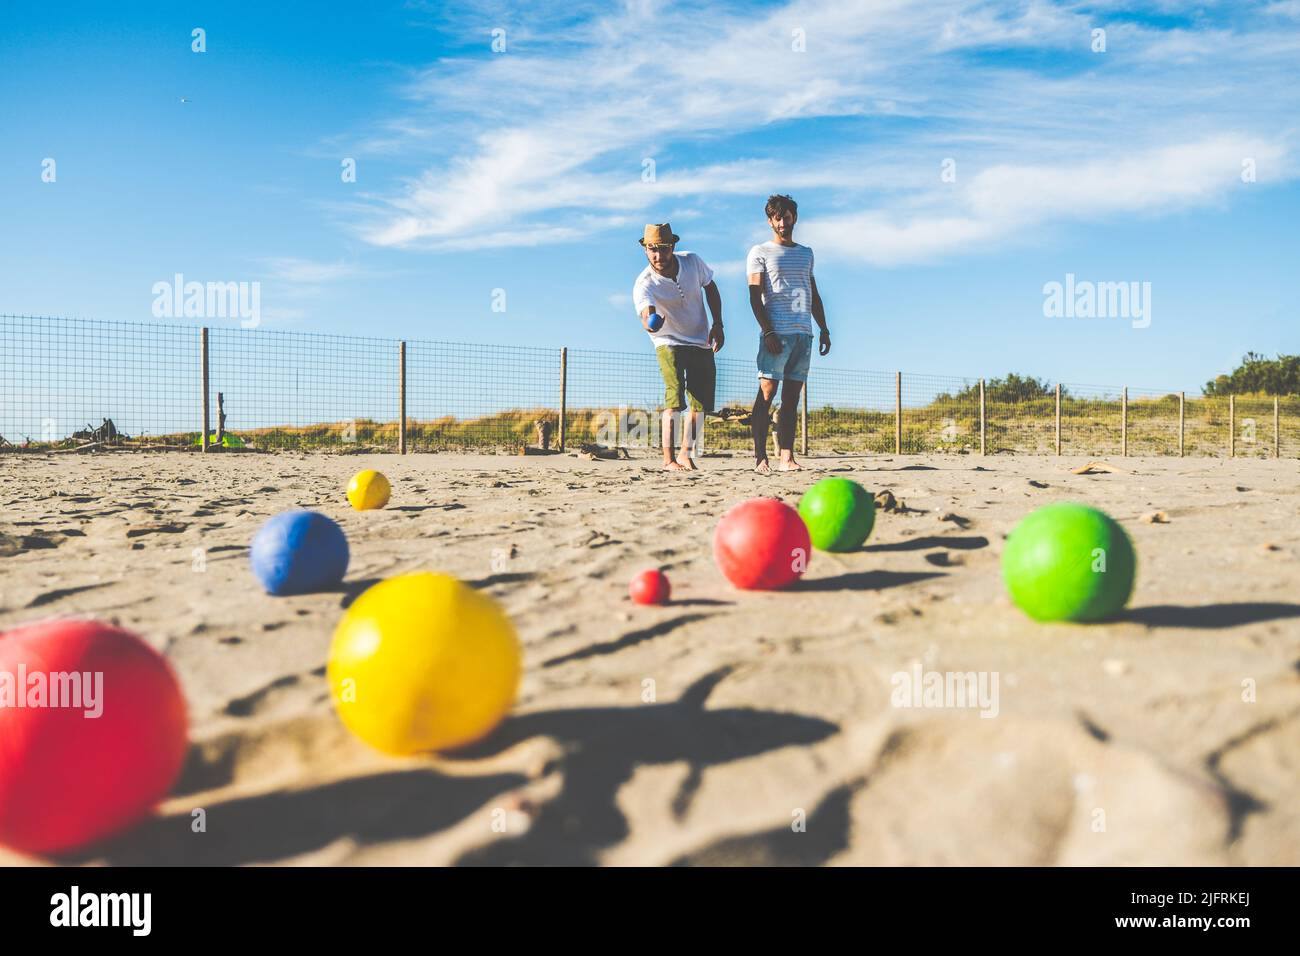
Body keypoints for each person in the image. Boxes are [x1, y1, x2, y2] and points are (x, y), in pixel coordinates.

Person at [746, 194, 830, 473]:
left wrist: (824, 328)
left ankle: (787, 457)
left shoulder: (806, 253)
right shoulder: (759, 251)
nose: (783, 222)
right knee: (766, 395)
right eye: (777, 217)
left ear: (795, 217)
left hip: (803, 334)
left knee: (792, 400)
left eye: (787, 216)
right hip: (775, 334)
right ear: (770, 221)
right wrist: (767, 329)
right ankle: (761, 458)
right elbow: (755, 297)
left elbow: (813, 294)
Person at [632, 223, 725, 470]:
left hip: (700, 339)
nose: (658, 256)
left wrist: (718, 324)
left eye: (663, 249)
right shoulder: (644, 283)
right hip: (668, 341)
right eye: (652, 250)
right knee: (674, 398)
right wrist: (652, 324)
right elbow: (646, 314)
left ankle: (685, 453)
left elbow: (711, 287)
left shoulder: (693, 262)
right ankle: (668, 459)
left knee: (701, 404)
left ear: (672, 247)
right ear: (645, 249)